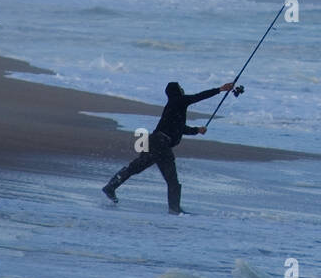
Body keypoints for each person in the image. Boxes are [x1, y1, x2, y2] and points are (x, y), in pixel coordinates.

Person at [102, 80, 241, 214]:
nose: (182, 89)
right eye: (180, 87)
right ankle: (175, 209)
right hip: (161, 144)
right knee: (172, 180)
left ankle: (111, 187)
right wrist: (220, 89)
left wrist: (197, 130)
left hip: (154, 141)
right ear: (177, 91)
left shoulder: (175, 106)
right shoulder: (178, 101)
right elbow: (197, 97)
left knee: (134, 168)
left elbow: (180, 128)